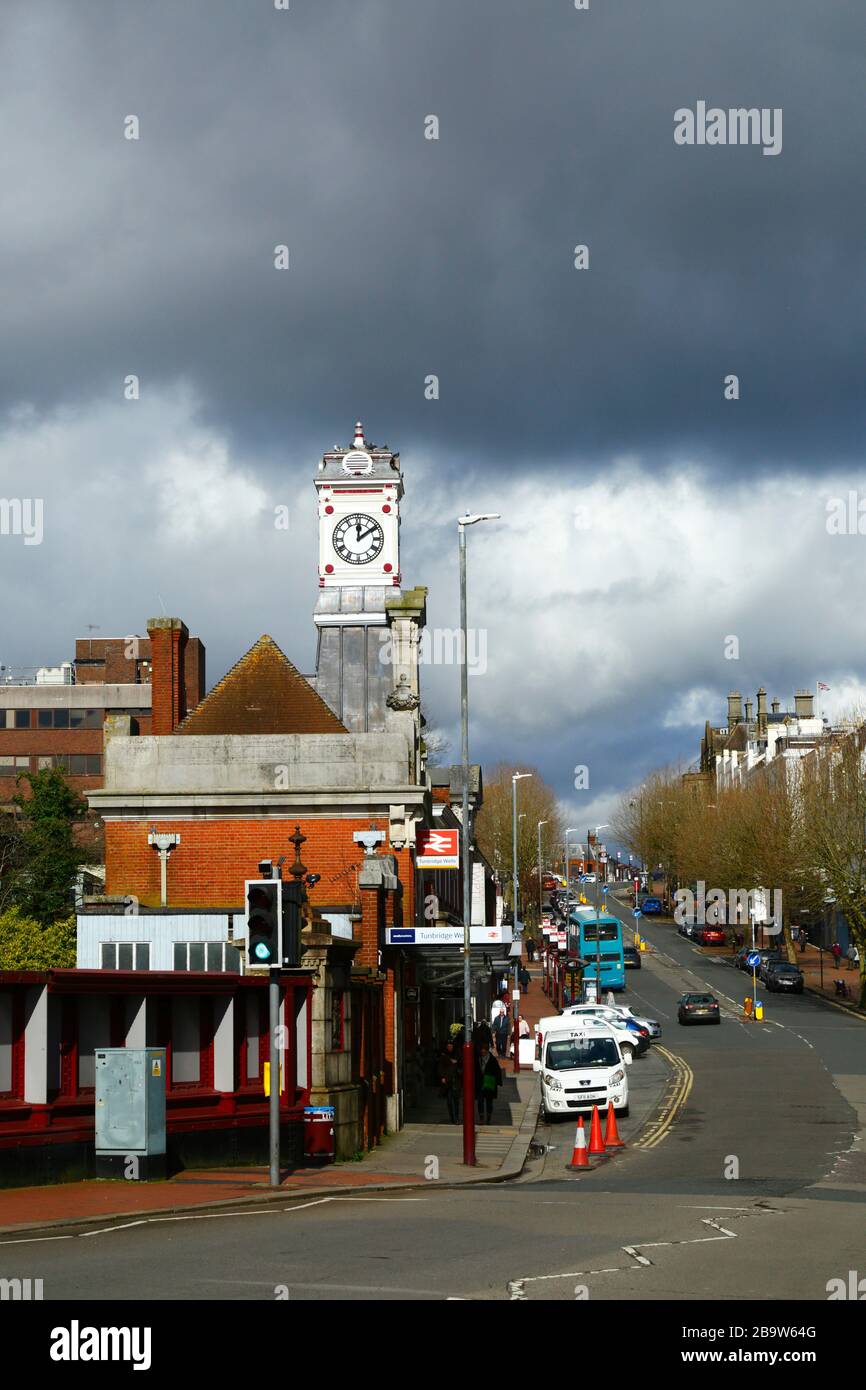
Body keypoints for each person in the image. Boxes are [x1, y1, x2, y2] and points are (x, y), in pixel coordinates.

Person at [475, 1043, 503, 1124]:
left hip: (489, 1083)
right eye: (482, 1051)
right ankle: (481, 1117)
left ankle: (488, 1118)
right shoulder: (478, 1059)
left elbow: (497, 1071)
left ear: (487, 1051)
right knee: (480, 1101)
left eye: (484, 1051)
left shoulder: (492, 1060)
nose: (482, 1052)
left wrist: (498, 1082)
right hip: (480, 1083)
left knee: (489, 1102)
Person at [438, 1039, 462, 1124]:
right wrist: (442, 1077)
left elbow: (461, 1065)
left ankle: (456, 1118)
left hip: (455, 1081)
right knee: (449, 1101)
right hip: (447, 1081)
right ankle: (452, 1117)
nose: (449, 1047)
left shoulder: (457, 1055)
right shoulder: (444, 1056)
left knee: (456, 1101)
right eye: (448, 1046)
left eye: (451, 1046)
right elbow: (440, 1067)